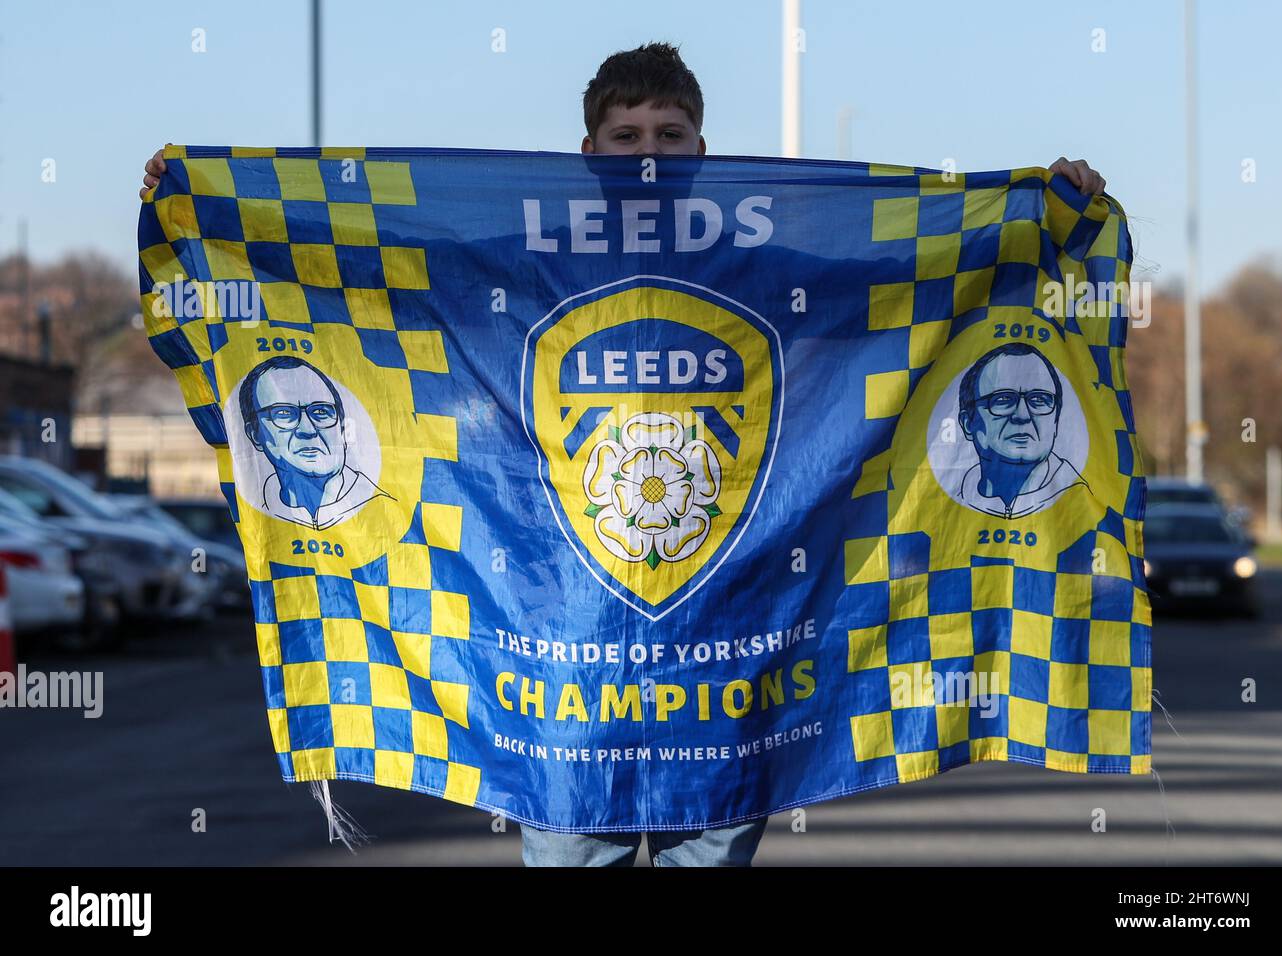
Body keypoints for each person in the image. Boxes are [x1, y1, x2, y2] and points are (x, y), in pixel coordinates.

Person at [139, 40, 1109, 867]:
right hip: (563, 664)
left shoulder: (766, 267)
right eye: (627, 136)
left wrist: (1040, 218)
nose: (649, 154)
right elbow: (376, 272)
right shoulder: (522, 260)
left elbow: (904, 280)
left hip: (730, 650)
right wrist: (212, 210)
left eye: (669, 135)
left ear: (702, 150)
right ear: (589, 153)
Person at [238, 355, 391, 530]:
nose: (308, 429)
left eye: (321, 411)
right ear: (254, 434)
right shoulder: (256, 520)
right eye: (284, 413)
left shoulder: (387, 516)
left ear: (342, 429)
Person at [956, 342, 1089, 519]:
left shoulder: (1086, 510)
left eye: (1039, 400)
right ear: (968, 424)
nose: (1022, 415)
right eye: (1003, 399)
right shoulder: (944, 511)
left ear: (1056, 421)